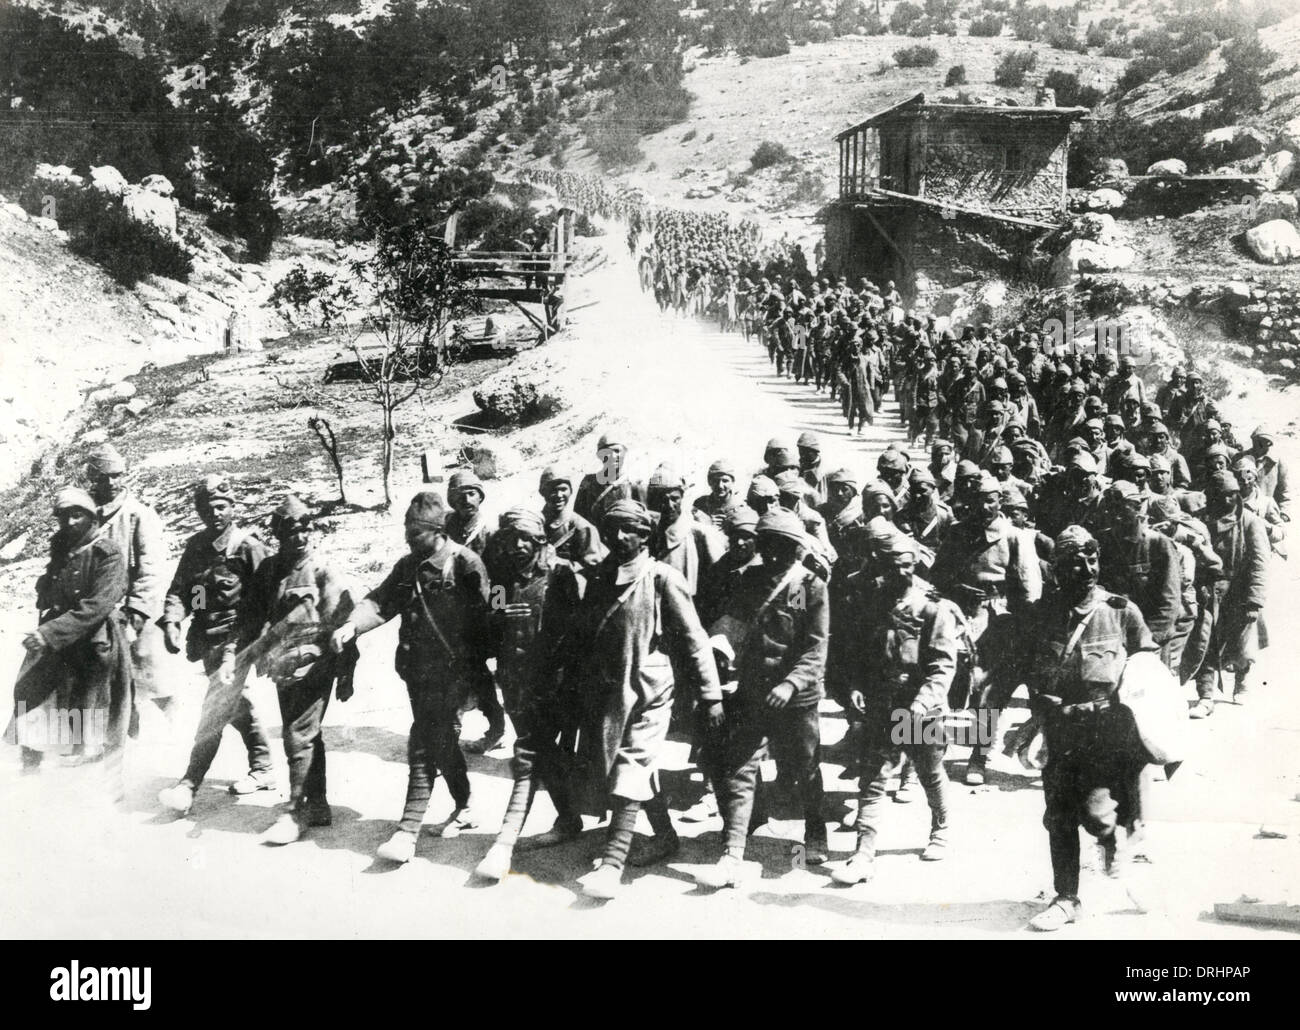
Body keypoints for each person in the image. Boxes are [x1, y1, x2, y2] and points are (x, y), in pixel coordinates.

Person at [567, 500, 724, 900]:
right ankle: (666, 836)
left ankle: (611, 864)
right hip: (608, 692)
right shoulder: (601, 576)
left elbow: (694, 642)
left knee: (631, 766)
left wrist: (710, 695)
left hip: (649, 693)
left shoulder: (662, 578)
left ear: (644, 534)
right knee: (632, 768)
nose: (619, 538)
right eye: (612, 529)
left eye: (629, 529)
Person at [329, 491, 491, 862]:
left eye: (415, 535)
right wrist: (352, 626)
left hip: (453, 676)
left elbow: (485, 623)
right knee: (441, 741)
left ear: (437, 531)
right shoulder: (408, 567)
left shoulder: (466, 563)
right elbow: (381, 600)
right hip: (417, 674)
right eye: (406, 534)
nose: (408, 541)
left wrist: (476, 680)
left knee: (422, 741)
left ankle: (407, 831)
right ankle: (464, 807)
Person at [1010, 526, 1157, 932]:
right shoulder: (1042, 614)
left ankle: (1117, 849)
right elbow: (1029, 669)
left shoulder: (1121, 611)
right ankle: (1066, 897)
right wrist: (1036, 713)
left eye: (1092, 559)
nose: (1086, 568)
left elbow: (1149, 671)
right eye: (1075, 562)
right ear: (1056, 570)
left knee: (1097, 816)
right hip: (1061, 730)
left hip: (1107, 732)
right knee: (1058, 817)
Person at [832, 534, 957, 885]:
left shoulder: (932, 607)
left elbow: (943, 666)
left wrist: (921, 704)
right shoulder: (871, 603)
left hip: (922, 707)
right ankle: (863, 854)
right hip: (882, 702)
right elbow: (860, 652)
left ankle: (941, 827)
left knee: (930, 772)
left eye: (907, 564)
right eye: (893, 565)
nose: (902, 571)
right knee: (872, 777)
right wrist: (856, 685)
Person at [475, 508, 585, 882]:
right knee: (545, 755)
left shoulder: (560, 576)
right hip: (514, 686)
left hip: (552, 689)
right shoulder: (502, 581)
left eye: (526, 538)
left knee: (528, 754)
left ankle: (503, 843)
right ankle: (569, 819)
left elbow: (575, 636)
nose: (518, 546)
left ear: (540, 539)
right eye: (510, 540)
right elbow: (491, 630)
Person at [157, 474, 274, 816]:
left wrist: (249, 644)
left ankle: (189, 784)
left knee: (215, 710)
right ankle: (263, 768)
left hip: (237, 643)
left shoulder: (247, 547)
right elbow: (186, 591)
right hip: (206, 642)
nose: (216, 514)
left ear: (233, 507)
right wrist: (173, 620)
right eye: (209, 508)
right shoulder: (196, 548)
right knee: (235, 705)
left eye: (222, 506)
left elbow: (264, 600)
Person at [247, 496, 360, 845]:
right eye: (292, 530)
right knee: (306, 733)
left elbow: (343, 622)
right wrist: (260, 652)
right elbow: (258, 616)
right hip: (283, 667)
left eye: (305, 528)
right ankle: (319, 802)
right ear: (279, 533)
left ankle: (295, 811)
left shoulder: (322, 570)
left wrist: (346, 672)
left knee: (298, 733)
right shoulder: (268, 569)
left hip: (316, 664)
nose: (300, 536)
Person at [6, 487, 132, 783]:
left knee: (94, 711)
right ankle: (31, 767)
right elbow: (52, 588)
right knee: (28, 694)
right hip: (56, 640)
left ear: (90, 517)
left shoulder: (109, 552)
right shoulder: (61, 547)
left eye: (77, 515)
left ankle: (105, 783)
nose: (71, 523)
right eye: (64, 517)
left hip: (94, 640)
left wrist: (49, 633)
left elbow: (97, 605)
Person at [929, 473, 1043, 784]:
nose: (983, 506)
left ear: (999, 501)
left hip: (998, 619)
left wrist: (1022, 629)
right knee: (938, 682)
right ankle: (925, 755)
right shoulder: (956, 532)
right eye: (977, 500)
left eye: (990, 500)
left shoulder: (1015, 537)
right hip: (956, 613)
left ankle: (978, 757)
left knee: (987, 693)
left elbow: (1030, 590)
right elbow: (939, 575)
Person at [85, 443, 169, 719]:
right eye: (102, 477)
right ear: (92, 479)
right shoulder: (85, 515)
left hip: (132, 612)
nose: (110, 482)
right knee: (104, 679)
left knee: (150, 674)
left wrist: (137, 613)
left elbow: (150, 568)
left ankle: (174, 729)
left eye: (116, 475)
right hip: (98, 611)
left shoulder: (138, 514)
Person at [1187, 471, 1268, 717]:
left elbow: (1259, 563)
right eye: (1218, 495)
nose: (1225, 501)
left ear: (1237, 496)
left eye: (1230, 495)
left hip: (1240, 593)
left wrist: (1255, 599)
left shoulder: (1250, 522)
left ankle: (1241, 682)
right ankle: (1206, 695)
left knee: (1242, 642)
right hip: (1209, 593)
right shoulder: (1201, 522)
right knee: (1206, 643)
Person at [446, 469, 506, 751]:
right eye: (459, 495)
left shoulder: (491, 531)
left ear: (480, 496)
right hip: (453, 615)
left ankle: (495, 727)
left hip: (481, 615)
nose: (466, 500)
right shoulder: (448, 529)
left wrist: (496, 614)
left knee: (477, 672)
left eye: (471, 493)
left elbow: (501, 577)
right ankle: (454, 724)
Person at [538, 465, 605, 569]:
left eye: (563, 489)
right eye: (553, 490)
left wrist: (557, 561)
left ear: (571, 491)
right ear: (542, 492)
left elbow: (594, 568)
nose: (559, 495)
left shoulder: (582, 528)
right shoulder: (535, 523)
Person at [573, 431, 647, 525]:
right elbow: (578, 519)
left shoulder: (634, 484)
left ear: (624, 452)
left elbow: (644, 520)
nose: (612, 456)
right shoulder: (588, 483)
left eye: (617, 451)